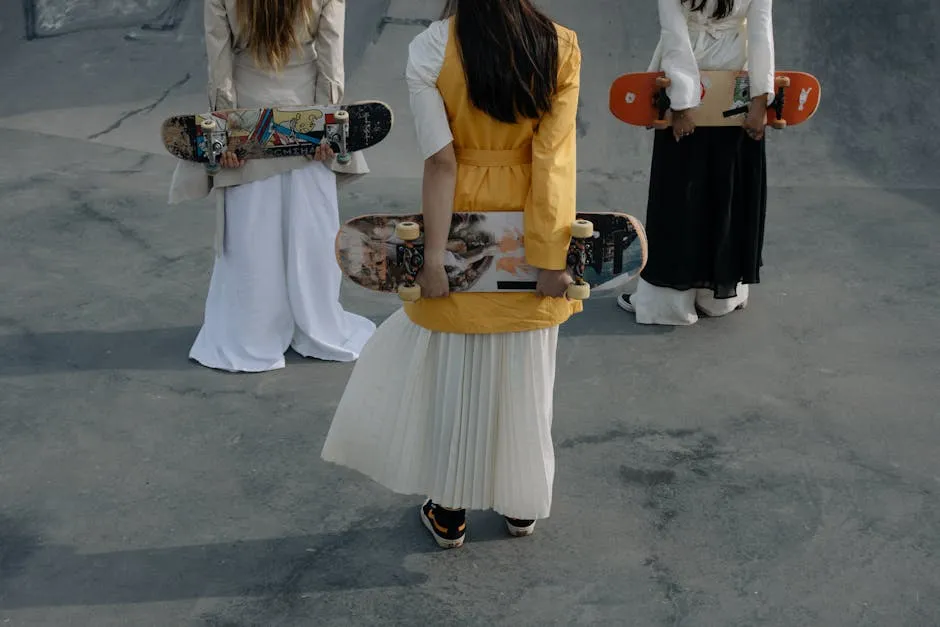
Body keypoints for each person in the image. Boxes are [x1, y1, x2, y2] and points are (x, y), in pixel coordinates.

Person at [320, 0, 582, 549]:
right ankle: (520, 505)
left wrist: (435, 257)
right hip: (533, 229)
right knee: (524, 371)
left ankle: (450, 510)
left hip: (461, 229)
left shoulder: (431, 48)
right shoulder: (560, 45)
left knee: (457, 371)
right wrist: (551, 259)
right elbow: (553, 157)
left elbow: (441, 161)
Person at [167, 0, 376, 372]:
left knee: (252, 238)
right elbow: (330, 53)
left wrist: (228, 128)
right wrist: (324, 123)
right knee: (310, 236)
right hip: (306, 117)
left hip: (248, 120)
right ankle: (314, 324)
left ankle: (253, 330)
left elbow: (219, 62)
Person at [618, 0, 774, 325]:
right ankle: (719, 297)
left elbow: (675, 34)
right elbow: (761, 33)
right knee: (727, 188)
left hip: (684, 78)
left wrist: (682, 103)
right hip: (737, 80)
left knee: (679, 193)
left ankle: (668, 304)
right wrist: (761, 99)